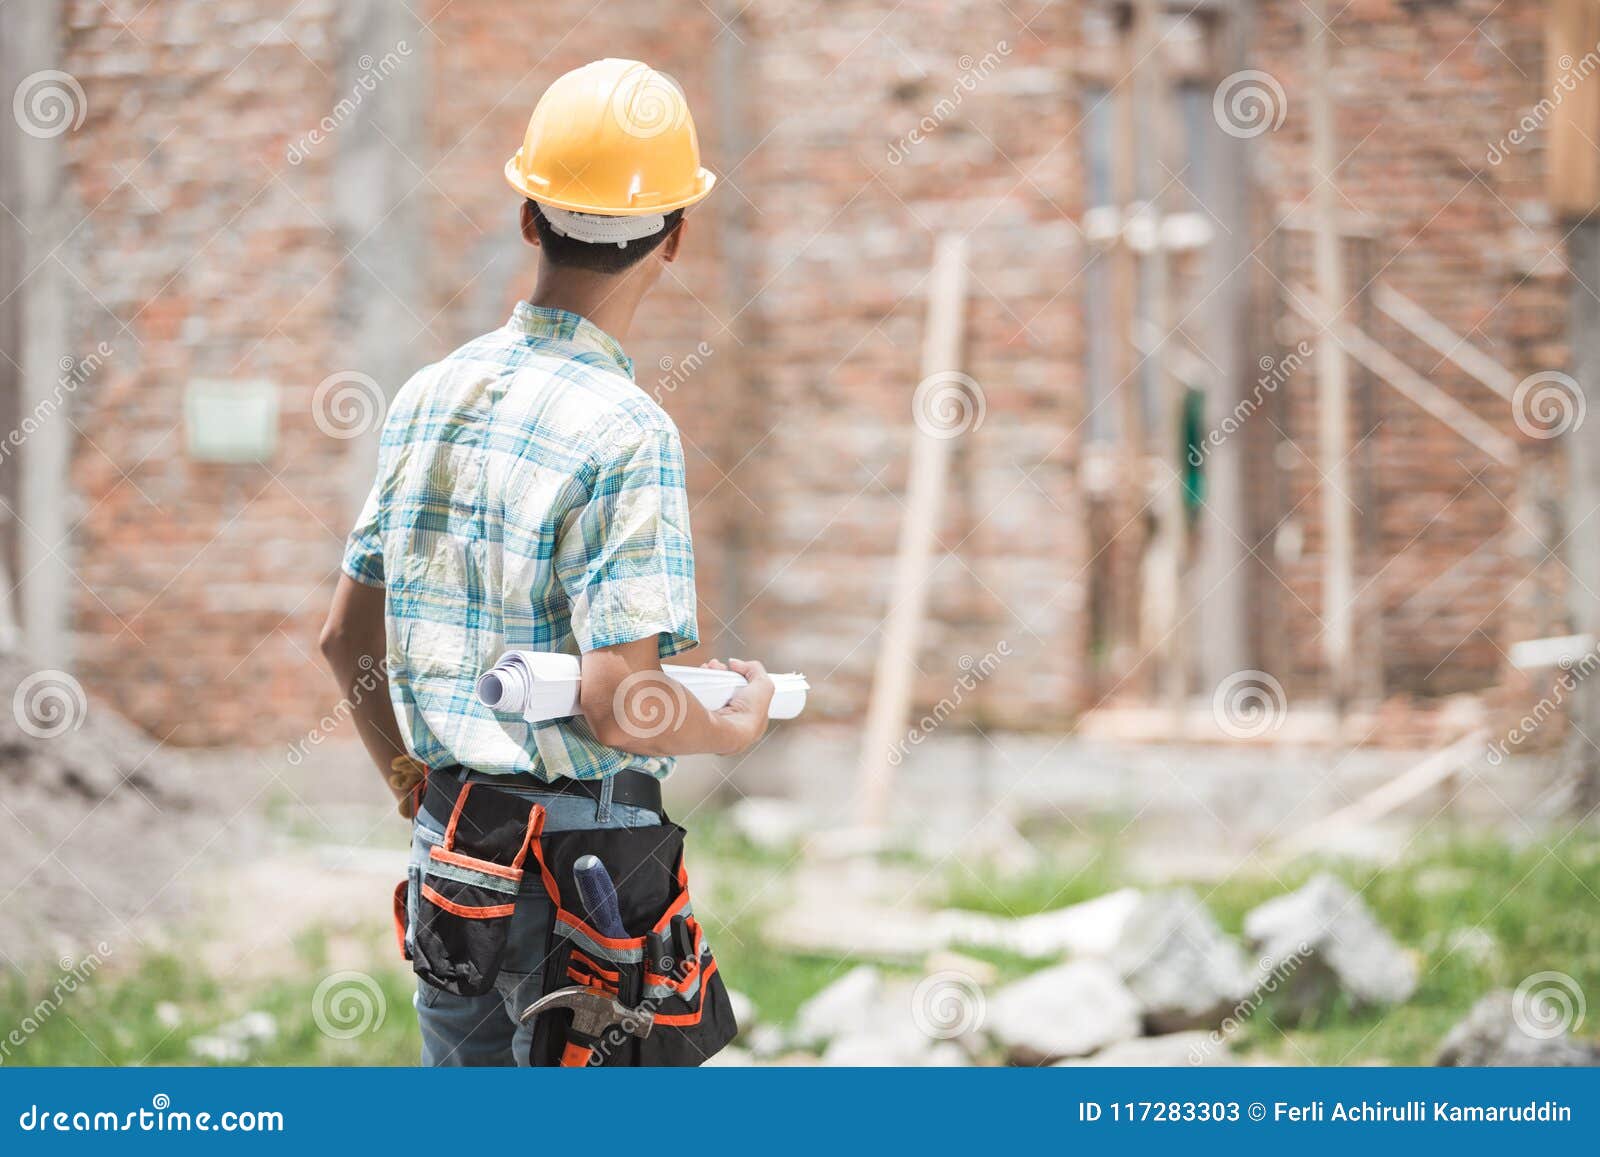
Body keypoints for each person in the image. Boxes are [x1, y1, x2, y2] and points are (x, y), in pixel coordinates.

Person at [317, 58, 773, 1066]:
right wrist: (729, 720)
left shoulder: (429, 394)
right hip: (582, 873)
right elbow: (619, 703)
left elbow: (343, 636)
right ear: (677, 235)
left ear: (529, 216)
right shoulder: (627, 431)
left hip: (450, 854)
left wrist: (410, 779)